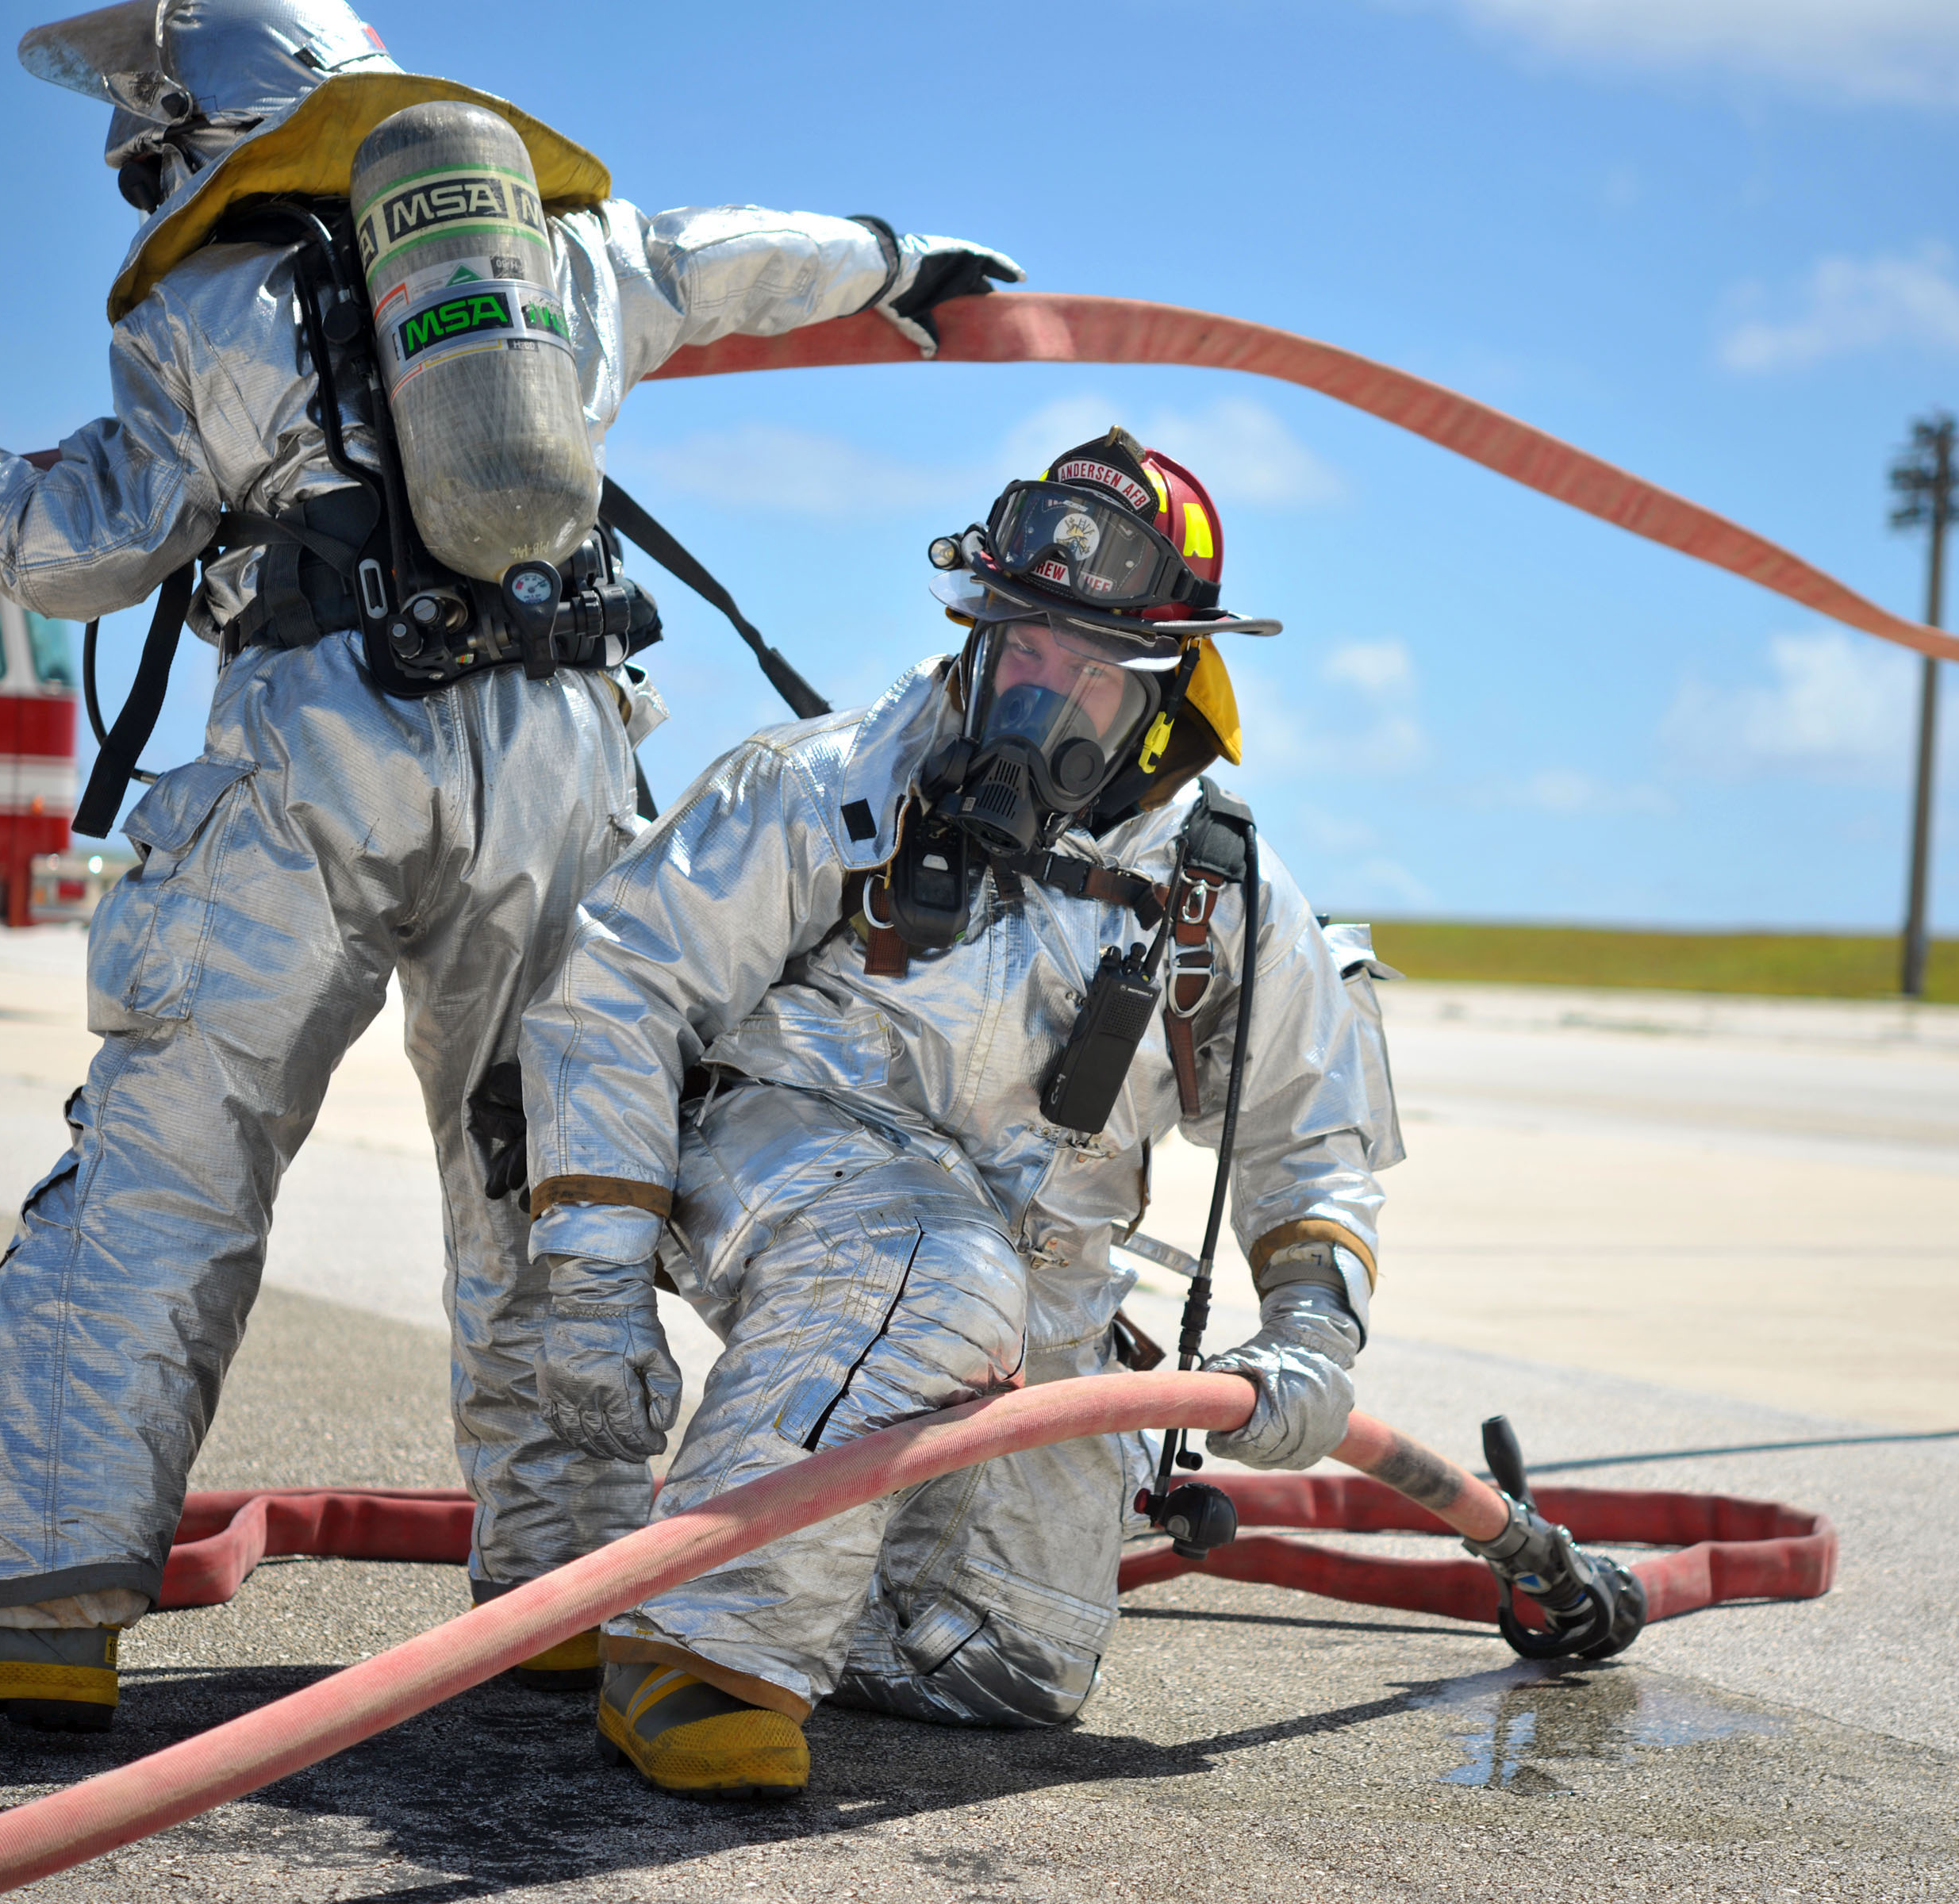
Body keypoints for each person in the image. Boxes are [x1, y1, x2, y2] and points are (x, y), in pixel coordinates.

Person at [0, 0, 1021, 1730]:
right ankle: (566, 1585)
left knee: (165, 1172)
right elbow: (739, 256)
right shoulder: (570, 250)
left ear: (201, 115)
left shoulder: (205, 298)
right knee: (546, 1171)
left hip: (313, 744)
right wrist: (904, 260)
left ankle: (36, 1608)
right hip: (561, 741)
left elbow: (84, 545)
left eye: (146, 114)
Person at [515, 427, 1404, 1798]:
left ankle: (772, 1560)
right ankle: (695, 1650)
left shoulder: (1228, 897)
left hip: (1038, 1287)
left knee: (1002, 1668)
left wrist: (1309, 1338)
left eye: (1091, 672)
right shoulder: (828, 786)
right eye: (1026, 650)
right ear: (979, 633)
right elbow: (616, 995)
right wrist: (590, 1284)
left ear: (1163, 694)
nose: (1043, 696)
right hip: (789, 1169)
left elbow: (1310, 1133)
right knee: (932, 1261)